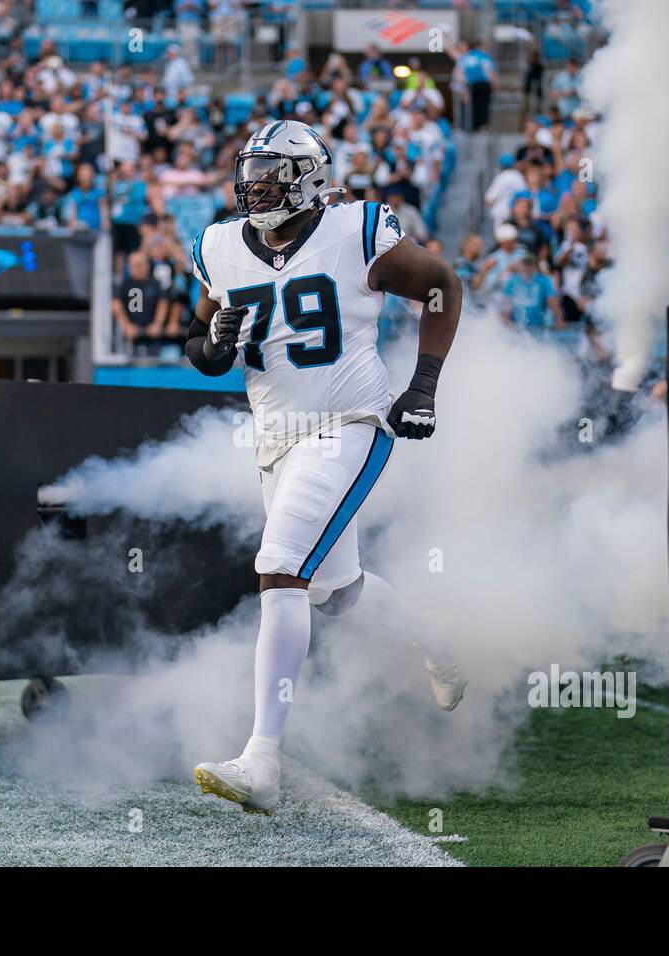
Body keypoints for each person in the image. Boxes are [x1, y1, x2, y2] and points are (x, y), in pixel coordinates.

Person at [185, 120, 467, 815]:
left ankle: (262, 760)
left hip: (351, 424)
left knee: (279, 565)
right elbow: (202, 345)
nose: (256, 185)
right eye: (250, 171)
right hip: (275, 439)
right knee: (334, 593)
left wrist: (423, 386)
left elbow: (440, 286)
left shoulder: (357, 229)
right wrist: (212, 344)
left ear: (306, 177)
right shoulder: (219, 246)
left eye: (271, 172)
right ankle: (438, 640)